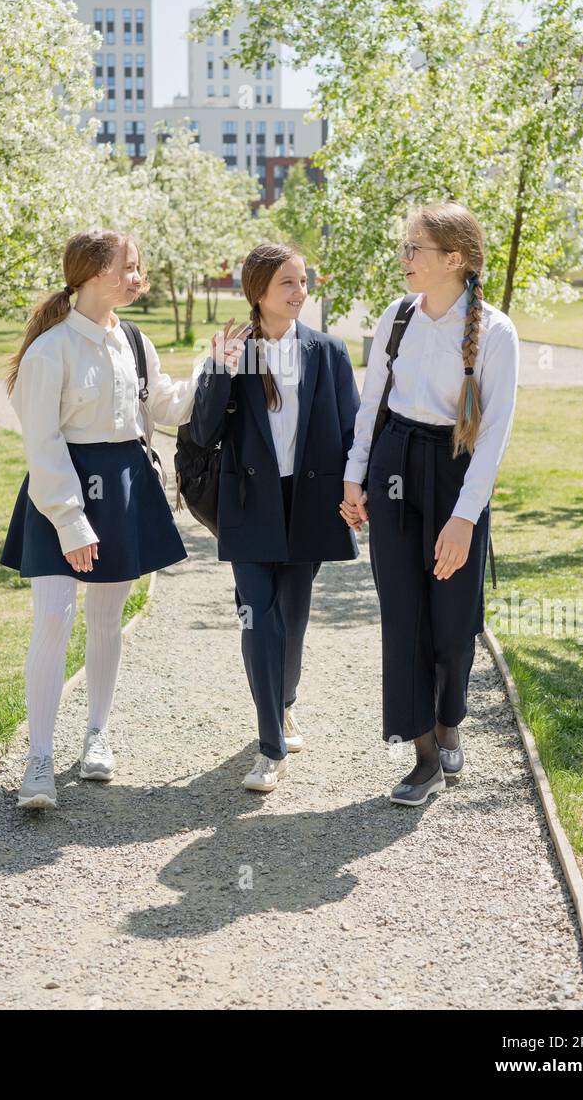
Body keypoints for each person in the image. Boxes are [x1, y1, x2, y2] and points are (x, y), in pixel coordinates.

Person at [0, 228, 208, 810]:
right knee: (54, 617)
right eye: (131, 268)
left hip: (121, 488)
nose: (139, 278)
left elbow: (164, 407)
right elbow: (42, 444)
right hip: (59, 491)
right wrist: (70, 521)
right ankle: (38, 761)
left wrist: (214, 365)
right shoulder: (51, 350)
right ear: (95, 275)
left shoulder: (135, 341)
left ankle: (97, 734)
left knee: (107, 620)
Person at [341, 202, 520, 806]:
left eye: (415, 247)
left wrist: (465, 519)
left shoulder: (495, 332)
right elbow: (372, 407)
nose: (405, 256)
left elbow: (492, 435)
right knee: (404, 614)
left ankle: (450, 723)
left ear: (455, 258)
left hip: (455, 472)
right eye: (406, 245)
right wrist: (353, 477)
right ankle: (423, 754)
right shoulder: (396, 318)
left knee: (451, 618)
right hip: (394, 463)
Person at [189, 242, 361, 792]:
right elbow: (202, 431)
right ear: (258, 291)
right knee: (257, 616)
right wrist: (219, 369)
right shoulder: (231, 350)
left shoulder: (328, 351)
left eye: (304, 281)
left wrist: (358, 493)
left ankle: (284, 702)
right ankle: (270, 746)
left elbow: (353, 428)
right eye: (288, 282)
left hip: (309, 505)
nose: (300, 291)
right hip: (249, 507)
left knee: (293, 615)